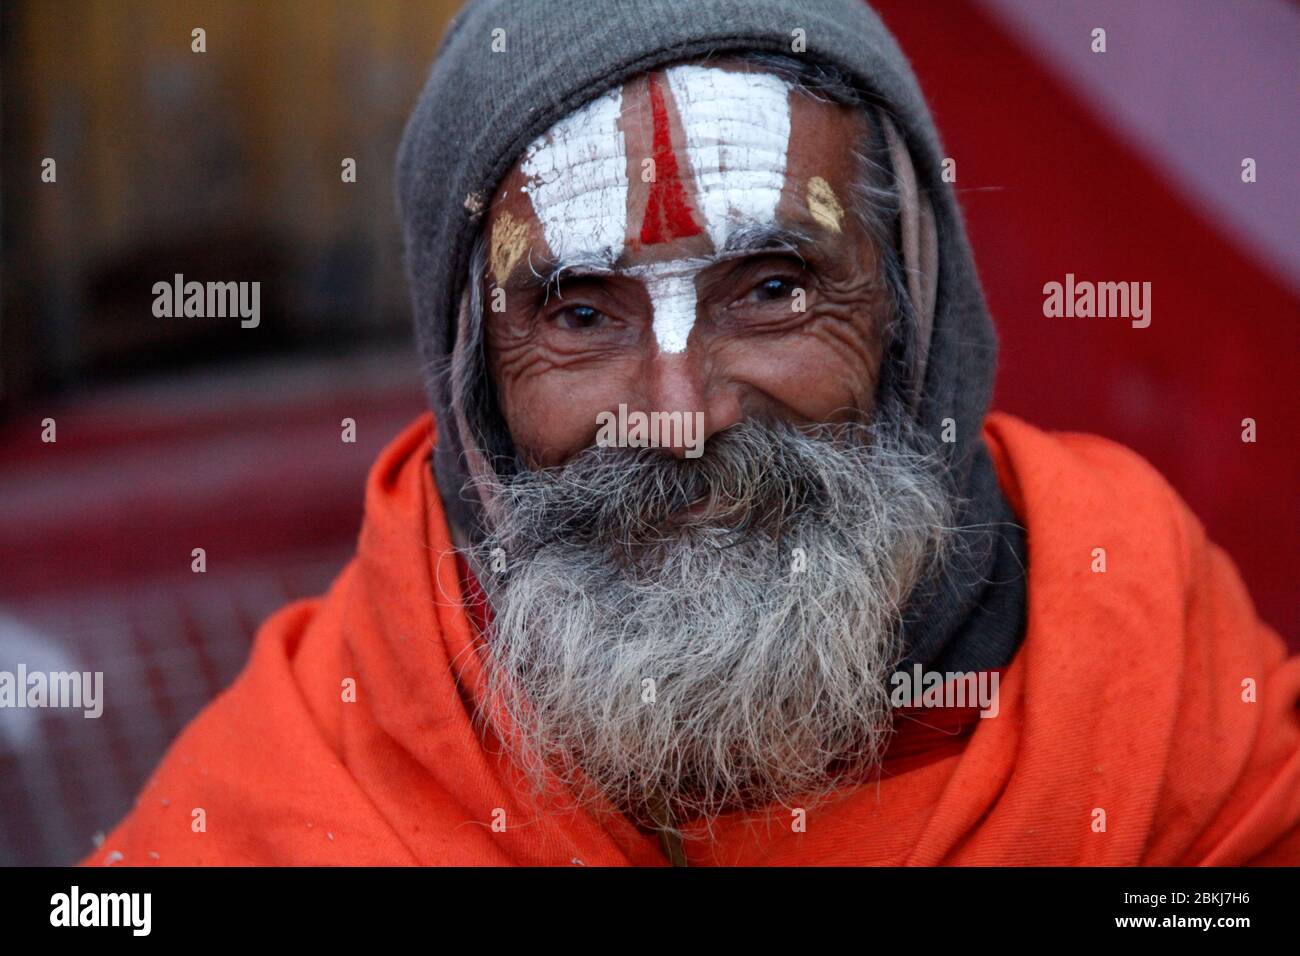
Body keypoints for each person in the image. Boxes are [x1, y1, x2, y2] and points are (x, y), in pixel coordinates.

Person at [85, 0, 1299, 867]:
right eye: (577, 310)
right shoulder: (309, 770)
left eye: (771, 288)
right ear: (470, 379)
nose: (676, 411)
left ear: (906, 313)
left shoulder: (1132, 626)